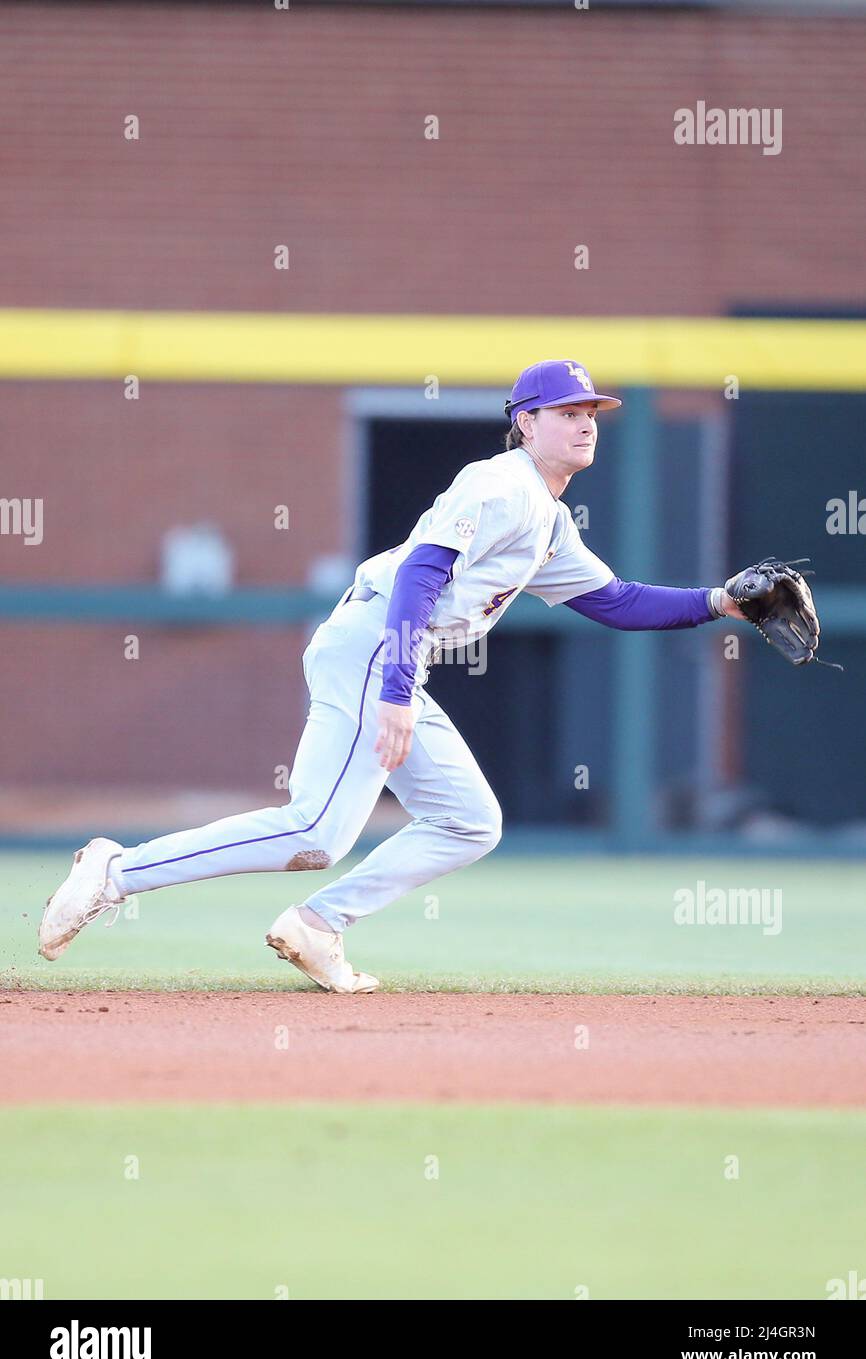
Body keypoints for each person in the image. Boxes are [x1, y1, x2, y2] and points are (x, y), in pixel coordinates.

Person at [38, 359, 746, 990]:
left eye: (591, 411)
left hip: (388, 651)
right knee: (313, 833)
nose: (585, 423)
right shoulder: (500, 483)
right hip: (377, 644)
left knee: (469, 822)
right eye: (567, 411)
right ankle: (115, 873)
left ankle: (318, 925)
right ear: (525, 423)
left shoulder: (550, 519)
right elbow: (420, 573)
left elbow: (616, 602)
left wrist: (723, 602)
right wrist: (398, 692)